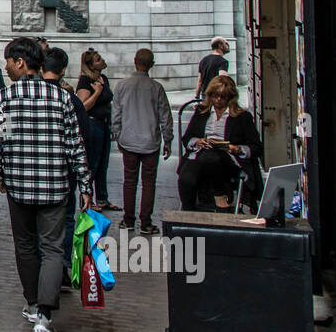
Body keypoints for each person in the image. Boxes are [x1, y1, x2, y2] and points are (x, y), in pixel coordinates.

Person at [0, 37, 92, 332]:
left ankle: (32, 303)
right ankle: (45, 316)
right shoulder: (61, 99)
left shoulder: (4, 98)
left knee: (26, 247)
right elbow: (75, 147)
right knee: (53, 248)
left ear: (20, 62)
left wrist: (1, 177)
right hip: (56, 188)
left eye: (8, 61)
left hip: (18, 187)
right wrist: (85, 184)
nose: (5, 67)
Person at [42, 47, 93, 290]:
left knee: (39, 225)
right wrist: (86, 182)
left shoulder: (28, 96)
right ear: (63, 70)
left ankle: (44, 270)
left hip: (36, 173)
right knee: (67, 220)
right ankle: (61, 266)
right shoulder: (70, 100)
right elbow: (83, 140)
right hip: (65, 173)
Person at [178, 74, 263, 211]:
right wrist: (197, 142)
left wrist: (238, 149)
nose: (218, 100)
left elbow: (256, 147)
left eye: (223, 97)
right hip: (200, 156)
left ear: (230, 97)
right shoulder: (202, 112)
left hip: (228, 159)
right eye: (215, 96)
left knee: (211, 157)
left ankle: (220, 198)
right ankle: (188, 212)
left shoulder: (242, 117)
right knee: (186, 177)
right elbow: (187, 138)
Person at [111, 48, 173, 234]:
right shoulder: (156, 88)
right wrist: (168, 140)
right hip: (150, 142)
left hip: (129, 140)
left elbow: (116, 115)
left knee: (129, 181)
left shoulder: (122, 86)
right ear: (151, 65)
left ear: (134, 61)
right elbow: (165, 117)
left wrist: (117, 135)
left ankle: (128, 219)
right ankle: (145, 222)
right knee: (149, 183)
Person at [75, 49, 115, 210]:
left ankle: (102, 198)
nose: (103, 61)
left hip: (104, 124)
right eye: (98, 59)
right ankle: (88, 199)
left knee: (103, 163)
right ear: (90, 65)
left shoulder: (103, 78)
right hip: (93, 124)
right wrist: (97, 93)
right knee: (93, 163)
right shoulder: (86, 81)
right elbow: (82, 106)